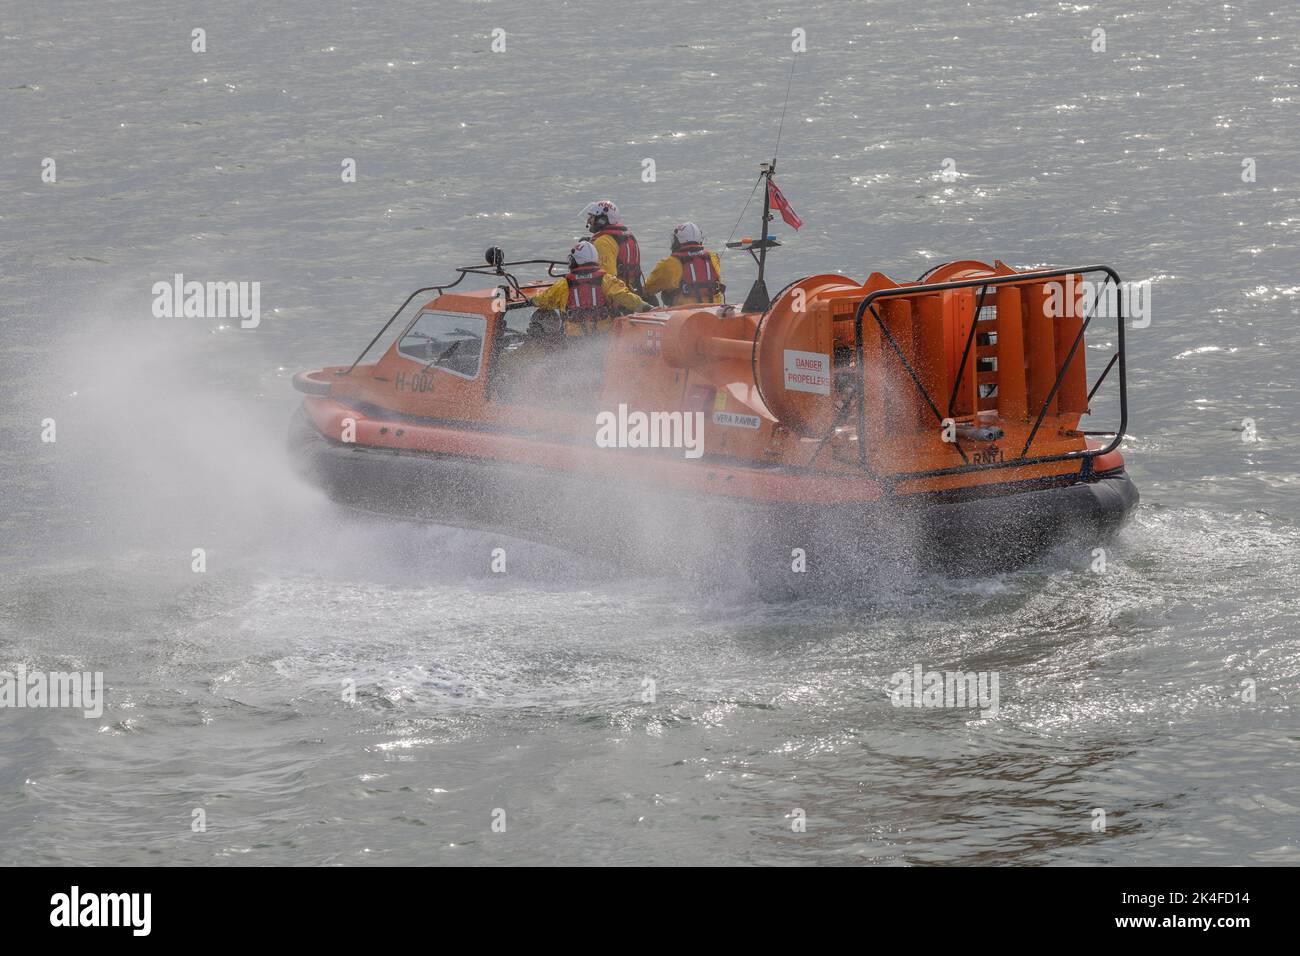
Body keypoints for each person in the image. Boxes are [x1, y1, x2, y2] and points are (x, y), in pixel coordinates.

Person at [529, 240, 649, 337]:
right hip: (604, 335)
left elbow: (546, 299)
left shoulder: (564, 284)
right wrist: (645, 307)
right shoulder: (606, 279)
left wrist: (533, 300)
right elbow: (625, 296)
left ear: (574, 261)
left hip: (575, 338)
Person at [642, 222, 723, 306]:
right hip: (714, 310)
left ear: (677, 241)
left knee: (647, 297)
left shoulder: (669, 263)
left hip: (682, 314)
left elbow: (648, 289)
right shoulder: (712, 257)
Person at [580, 200, 643, 293]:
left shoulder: (602, 242)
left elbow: (607, 279)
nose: (588, 220)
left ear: (602, 220)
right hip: (632, 289)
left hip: (617, 296)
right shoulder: (626, 235)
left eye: (592, 217)